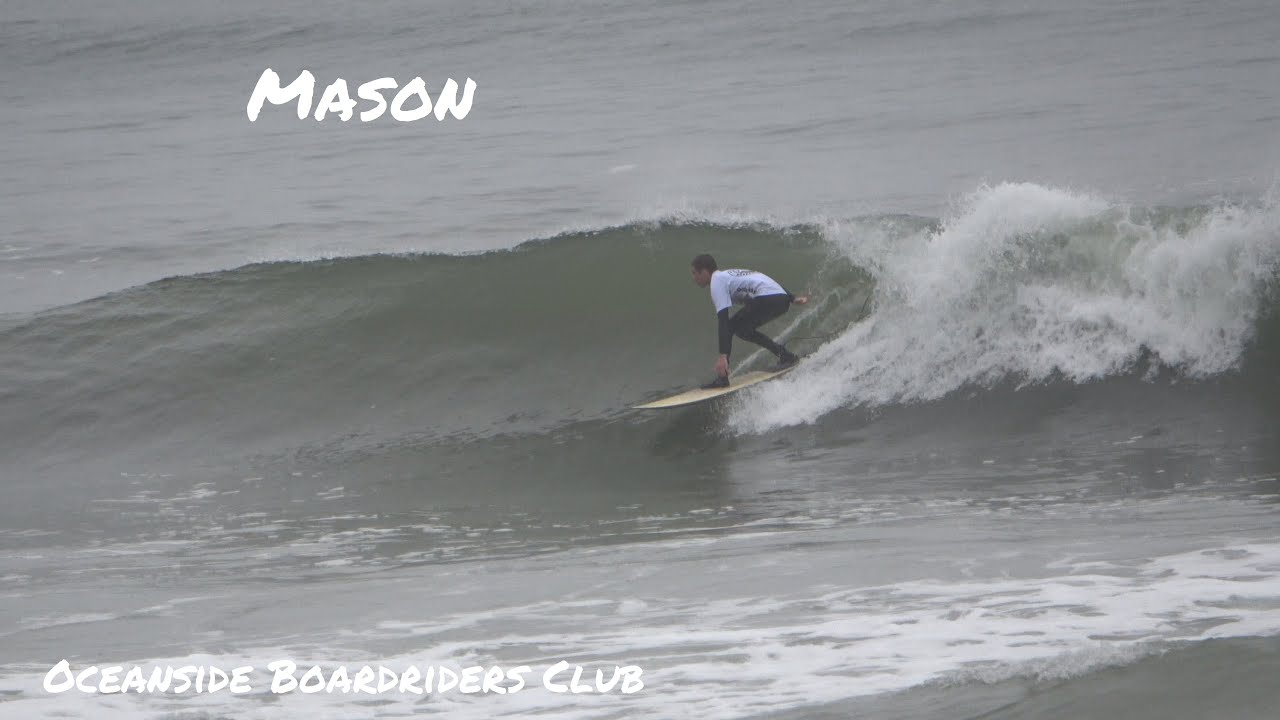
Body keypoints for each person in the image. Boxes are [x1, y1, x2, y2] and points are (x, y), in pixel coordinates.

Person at [690, 254, 809, 388]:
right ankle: (785, 355)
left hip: (767, 299)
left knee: (731, 326)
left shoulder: (716, 282)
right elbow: (761, 278)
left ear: (705, 271)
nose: (693, 278)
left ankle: (722, 377)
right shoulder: (729, 274)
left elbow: (723, 321)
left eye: (695, 273)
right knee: (742, 330)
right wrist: (791, 297)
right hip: (781, 299)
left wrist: (723, 355)